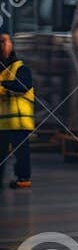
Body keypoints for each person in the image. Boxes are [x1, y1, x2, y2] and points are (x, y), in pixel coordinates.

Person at [0, 32, 35, 189]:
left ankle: (23, 178)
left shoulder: (21, 68)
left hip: (19, 122)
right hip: (3, 123)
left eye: (4, 42)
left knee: (21, 153)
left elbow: (22, 86)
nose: (2, 45)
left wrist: (4, 86)